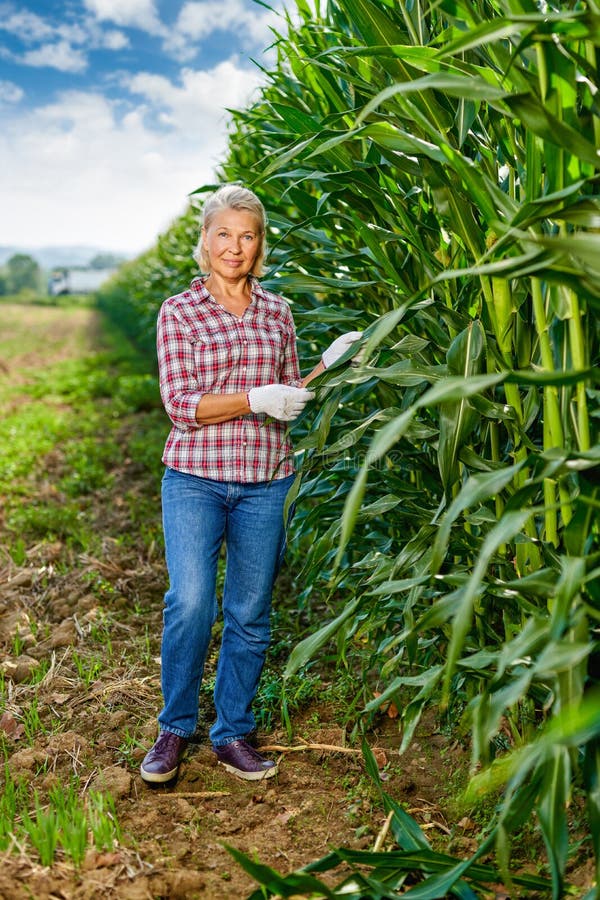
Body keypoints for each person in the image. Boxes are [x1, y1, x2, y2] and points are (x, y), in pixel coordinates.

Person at [140, 184, 362, 784]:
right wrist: (254, 397)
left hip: (265, 480)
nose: (235, 247)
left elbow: (286, 391)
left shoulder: (278, 313)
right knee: (190, 602)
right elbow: (181, 405)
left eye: (247, 235)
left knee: (249, 612)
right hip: (195, 478)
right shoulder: (179, 312)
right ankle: (174, 728)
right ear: (205, 240)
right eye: (224, 234)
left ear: (259, 245)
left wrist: (317, 375)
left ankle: (232, 732)